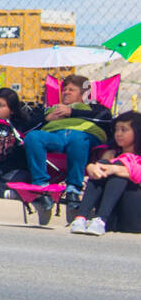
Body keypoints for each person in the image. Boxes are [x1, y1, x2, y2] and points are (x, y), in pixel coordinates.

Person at [24, 73, 112, 206]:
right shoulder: (51, 109)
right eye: (64, 89)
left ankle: (73, 188)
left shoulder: (94, 107)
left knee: (77, 137)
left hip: (84, 136)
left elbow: (106, 118)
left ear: (83, 94)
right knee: (33, 137)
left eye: (71, 90)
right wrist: (46, 119)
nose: (66, 92)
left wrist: (72, 112)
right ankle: (41, 185)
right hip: (55, 138)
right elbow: (26, 129)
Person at [69, 112, 141, 235]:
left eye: (124, 130)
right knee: (103, 165)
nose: (118, 134)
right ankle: (81, 218)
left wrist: (115, 169)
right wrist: (91, 167)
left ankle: (101, 219)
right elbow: (103, 167)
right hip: (113, 219)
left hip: (134, 217)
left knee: (115, 168)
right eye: (116, 130)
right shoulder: (110, 154)